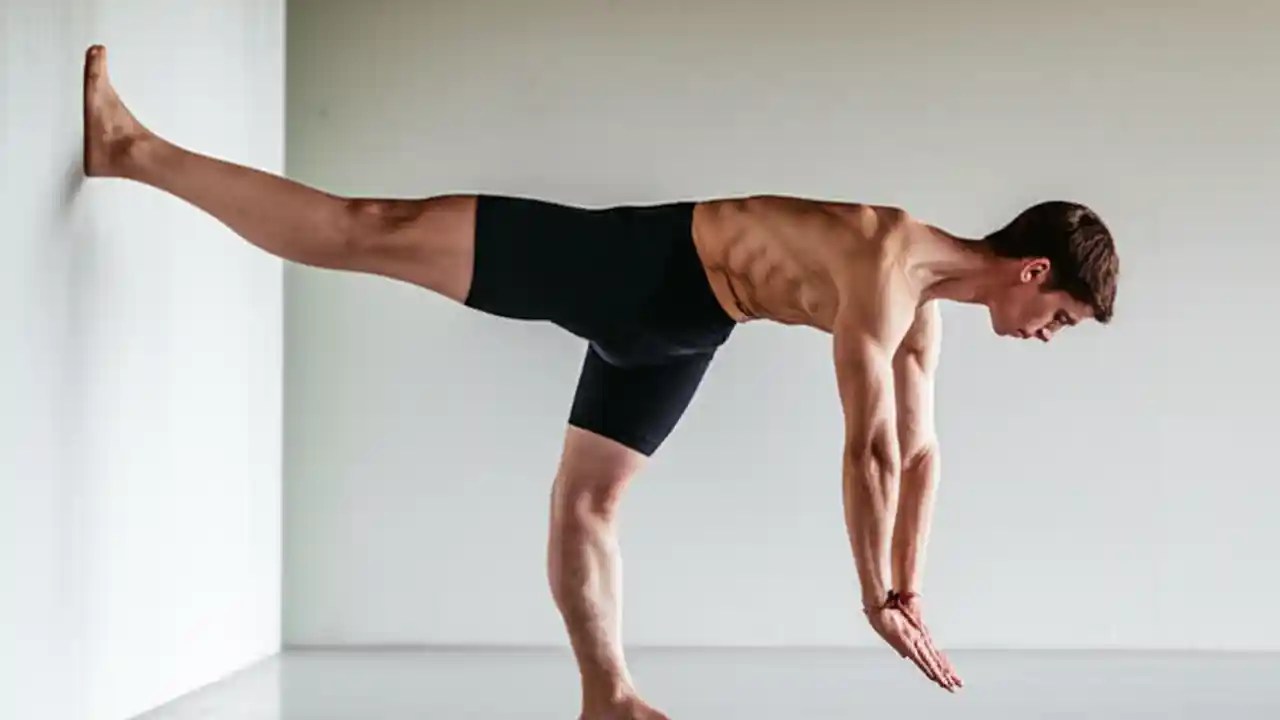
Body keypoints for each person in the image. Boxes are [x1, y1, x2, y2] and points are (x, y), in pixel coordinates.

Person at [81, 44, 1118, 719]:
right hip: (637, 267)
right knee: (371, 227)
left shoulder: (923, 315)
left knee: (588, 503)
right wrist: (870, 596)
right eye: (1060, 317)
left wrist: (908, 588)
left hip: (683, 333)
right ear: (1032, 270)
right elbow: (871, 449)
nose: (1048, 336)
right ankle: (132, 150)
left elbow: (921, 455)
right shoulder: (886, 263)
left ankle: (605, 695)